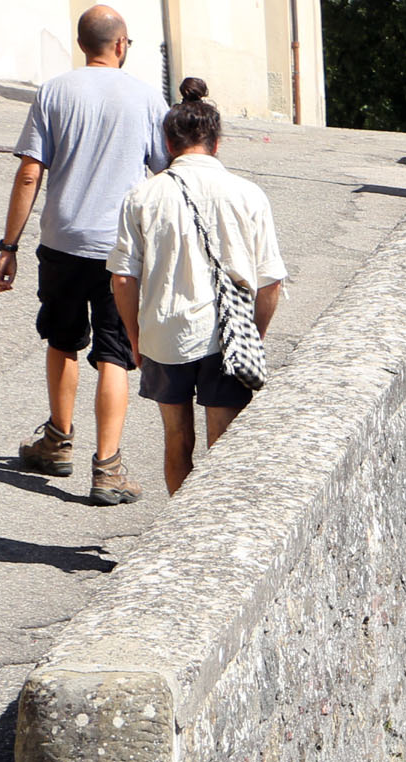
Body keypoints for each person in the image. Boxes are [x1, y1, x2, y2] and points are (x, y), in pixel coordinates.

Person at [0, 5, 167, 505]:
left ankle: (57, 441)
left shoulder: (54, 92)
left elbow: (30, 173)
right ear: (120, 45)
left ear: (83, 44)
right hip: (121, 249)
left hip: (62, 241)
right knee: (115, 353)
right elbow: (164, 170)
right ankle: (107, 468)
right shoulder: (145, 99)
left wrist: (9, 247)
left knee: (62, 339)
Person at [109, 78, 286, 495]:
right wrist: (252, 337)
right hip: (227, 336)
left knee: (177, 442)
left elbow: (121, 277)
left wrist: (135, 338)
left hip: (164, 333)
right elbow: (271, 281)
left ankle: (177, 532)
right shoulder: (249, 194)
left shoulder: (142, 196)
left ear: (168, 144)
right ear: (217, 142)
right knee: (223, 447)